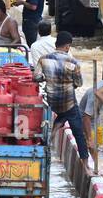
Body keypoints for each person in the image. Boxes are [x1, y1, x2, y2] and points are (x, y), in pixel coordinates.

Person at [35, 31, 88, 161]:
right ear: (67, 46)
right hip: (68, 103)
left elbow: (35, 77)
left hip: (52, 102)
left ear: (56, 44)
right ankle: (86, 165)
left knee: (64, 113)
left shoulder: (43, 59)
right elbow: (79, 83)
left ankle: (54, 131)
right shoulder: (73, 62)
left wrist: (47, 78)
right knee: (79, 134)